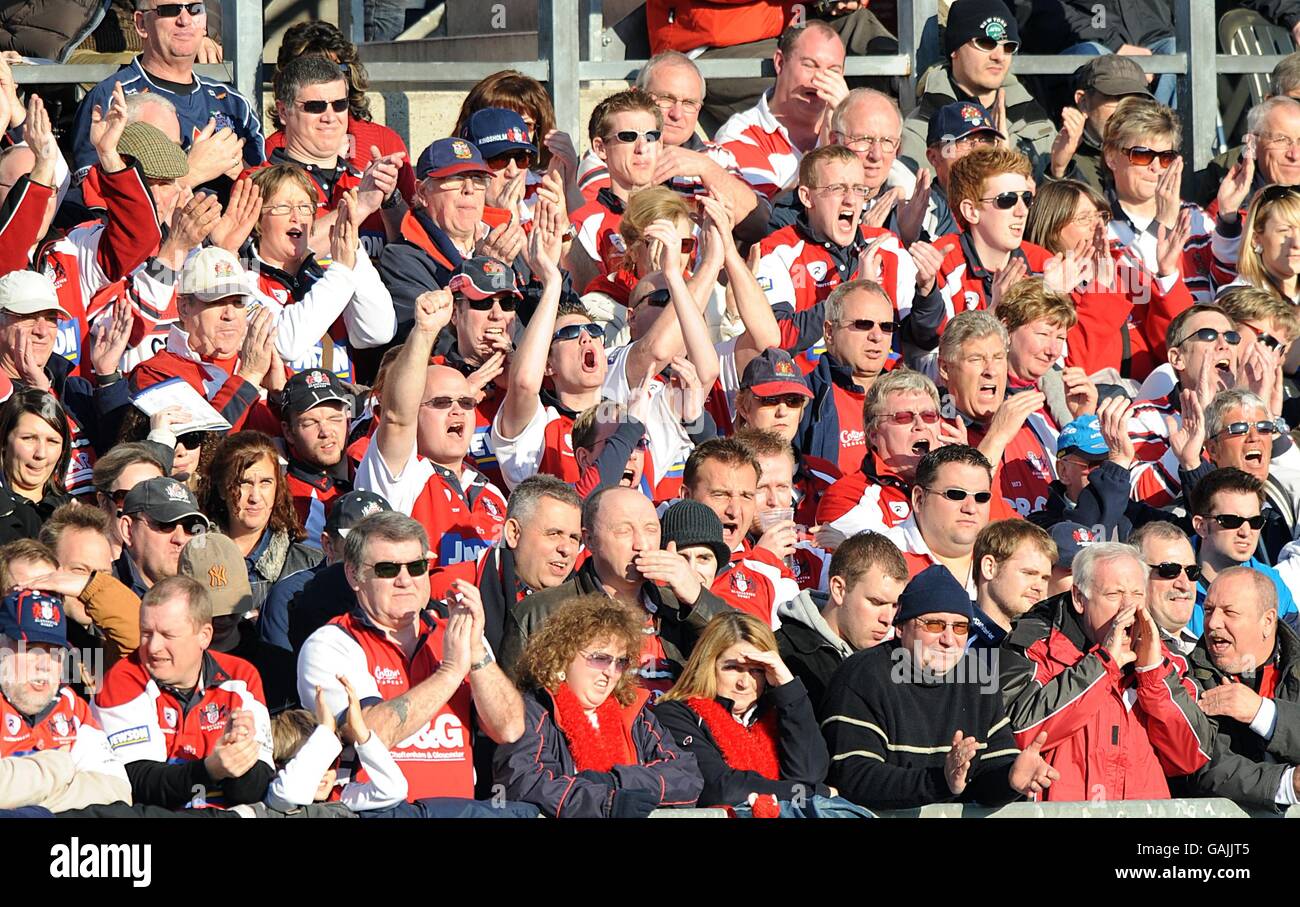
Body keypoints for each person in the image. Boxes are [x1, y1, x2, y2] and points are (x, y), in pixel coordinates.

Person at [296, 511, 525, 809]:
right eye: (388, 569)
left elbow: (509, 728)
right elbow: (370, 735)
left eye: (417, 566)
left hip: (454, 812)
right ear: (354, 575)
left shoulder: (454, 632)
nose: (406, 580)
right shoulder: (331, 643)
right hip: (371, 813)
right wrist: (451, 672)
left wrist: (476, 651)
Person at [822, 564, 1058, 809]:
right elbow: (853, 776)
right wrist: (941, 781)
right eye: (934, 625)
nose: (948, 639)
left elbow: (988, 775)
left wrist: (1010, 778)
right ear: (901, 627)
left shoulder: (976, 678)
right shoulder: (862, 674)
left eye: (960, 628)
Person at [999, 542, 1211, 801]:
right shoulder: (1035, 645)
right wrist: (1103, 663)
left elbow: (1194, 754)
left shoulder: (1164, 658)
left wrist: (1153, 674)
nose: (1128, 608)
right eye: (1114, 595)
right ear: (1079, 598)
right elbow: (1020, 732)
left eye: (1136, 594)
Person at [499, 486, 735, 692]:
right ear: (589, 540)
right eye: (624, 531)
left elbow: (743, 651)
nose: (641, 544)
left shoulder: (679, 607)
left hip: (676, 739)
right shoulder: (541, 613)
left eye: (651, 530)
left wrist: (697, 598)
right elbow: (515, 715)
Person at [492, 593, 703, 818]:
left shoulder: (633, 712)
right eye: (600, 658)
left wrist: (617, 780)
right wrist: (606, 804)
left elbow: (687, 775)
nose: (611, 673)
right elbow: (523, 783)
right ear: (563, 656)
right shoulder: (533, 710)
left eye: (620, 662)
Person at [353, 289, 506, 569]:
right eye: (441, 402)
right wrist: (424, 331)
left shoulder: (491, 493)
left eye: (466, 402)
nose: (457, 410)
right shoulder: (400, 476)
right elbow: (397, 416)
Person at [93, 575, 275, 809]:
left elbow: (253, 791)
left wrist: (239, 762)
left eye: (168, 635)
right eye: (146, 633)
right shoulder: (123, 679)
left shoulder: (241, 677)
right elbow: (138, 784)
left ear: (204, 636)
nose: (153, 647)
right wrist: (211, 770)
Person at [754, 145, 914, 375]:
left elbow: (922, 337)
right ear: (807, 197)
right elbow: (780, 338)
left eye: (859, 189)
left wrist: (929, 292)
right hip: (811, 393)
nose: (850, 200)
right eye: (837, 189)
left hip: (884, 389)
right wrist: (854, 294)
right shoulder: (778, 249)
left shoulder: (887, 245)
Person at [69, 0, 264, 182]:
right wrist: (191, 174)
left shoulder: (233, 102)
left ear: (204, 22)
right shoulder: (111, 97)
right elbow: (95, 197)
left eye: (195, 9)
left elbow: (269, 194)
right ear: (141, 24)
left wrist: (241, 173)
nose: (185, 20)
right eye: (170, 10)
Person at [655, 610, 833, 809]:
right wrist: (815, 794)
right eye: (732, 668)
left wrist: (788, 688)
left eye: (757, 670)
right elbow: (721, 789)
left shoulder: (776, 715)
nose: (744, 683)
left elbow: (809, 773)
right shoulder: (675, 715)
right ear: (708, 666)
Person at [1023, 178, 1193, 381]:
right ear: (1052, 228)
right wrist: (1101, 289)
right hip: (1095, 401)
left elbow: (1181, 345)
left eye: (1101, 216)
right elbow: (1082, 368)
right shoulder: (1040, 284)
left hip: (1151, 400)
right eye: (1084, 218)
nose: (1098, 225)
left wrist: (1166, 274)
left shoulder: (1123, 271)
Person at [576, 52, 762, 235]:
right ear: (637, 96)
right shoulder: (611, 150)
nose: (677, 114)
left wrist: (706, 168)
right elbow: (605, 227)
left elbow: (758, 224)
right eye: (666, 99)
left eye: (689, 103)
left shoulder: (715, 157)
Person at [243, 163, 397, 383]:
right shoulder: (241, 279)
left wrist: (351, 246)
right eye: (283, 207)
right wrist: (342, 270)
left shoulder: (327, 276)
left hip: (339, 411)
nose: (297, 217)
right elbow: (285, 343)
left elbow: (377, 331)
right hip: (278, 413)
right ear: (257, 219)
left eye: (305, 207)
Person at [904, 149, 1053, 353]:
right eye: (1007, 200)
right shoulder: (942, 261)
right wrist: (994, 310)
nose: (1022, 211)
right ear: (971, 211)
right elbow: (931, 354)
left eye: (1026, 199)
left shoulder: (1041, 264)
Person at [128, 245, 282, 435]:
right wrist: (249, 377)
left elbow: (310, 447)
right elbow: (200, 451)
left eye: (238, 302)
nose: (230, 314)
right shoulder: (155, 374)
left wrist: (280, 396)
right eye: (216, 302)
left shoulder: (267, 363)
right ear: (184, 308)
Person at [0, 588, 131, 811]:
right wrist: (59, 765)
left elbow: (117, 790)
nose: (44, 665)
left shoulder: (70, 704)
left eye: (54, 653)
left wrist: (28, 801)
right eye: (31, 649)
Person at [1183, 566, 1300, 809]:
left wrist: (1264, 714)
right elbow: (1203, 765)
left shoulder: (1294, 667)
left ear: (1267, 621)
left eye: (1230, 612)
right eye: (1208, 610)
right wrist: (1287, 784)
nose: (1213, 623)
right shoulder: (1188, 676)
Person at [899, 0, 1057, 179]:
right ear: (954, 50)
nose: (999, 56)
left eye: (1009, 46)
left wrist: (1059, 173)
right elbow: (920, 203)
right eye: (986, 42)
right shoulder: (921, 128)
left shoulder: (1037, 122)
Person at [377, 137, 521, 326]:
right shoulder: (400, 258)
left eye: (478, 179)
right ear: (422, 192)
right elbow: (437, 340)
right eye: (455, 178)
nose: (469, 189)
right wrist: (483, 271)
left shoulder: (503, 240)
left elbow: (533, 320)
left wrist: (545, 272)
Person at [935, 311, 1054, 519]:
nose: (990, 370)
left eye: (998, 358)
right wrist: (996, 438)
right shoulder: (933, 431)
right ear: (945, 368)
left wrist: (1083, 418)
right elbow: (961, 515)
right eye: (976, 359)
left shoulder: (1034, 421)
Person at [714, 23, 850, 201]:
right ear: (780, 63)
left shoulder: (853, 132)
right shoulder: (740, 134)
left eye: (833, 71)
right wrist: (827, 149)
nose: (820, 80)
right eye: (809, 65)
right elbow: (765, 219)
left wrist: (848, 126)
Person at [775, 530, 908, 711]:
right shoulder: (781, 654)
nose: (888, 619)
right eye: (876, 602)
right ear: (839, 589)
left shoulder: (897, 661)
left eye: (894, 606)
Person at [1101, 97, 1216, 303]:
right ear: (1111, 157)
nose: (1155, 167)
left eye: (1165, 157)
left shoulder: (1198, 218)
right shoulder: (1096, 224)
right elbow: (1133, 297)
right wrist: (1160, 224)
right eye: (1142, 155)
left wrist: (1229, 218)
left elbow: (1226, 281)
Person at [679, 438, 800, 625]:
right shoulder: (651, 559)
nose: (734, 510)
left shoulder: (771, 573)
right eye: (720, 494)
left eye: (746, 496)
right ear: (687, 496)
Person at [198, 431, 322, 614]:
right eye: (244, 483)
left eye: (265, 482)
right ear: (222, 488)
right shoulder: (194, 554)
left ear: (277, 487)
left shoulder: (309, 564)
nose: (255, 497)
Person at [816, 367, 944, 540]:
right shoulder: (846, 495)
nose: (920, 424)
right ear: (873, 434)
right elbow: (880, 563)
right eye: (903, 417)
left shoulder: (958, 488)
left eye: (929, 416)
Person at [261, 489, 390, 656]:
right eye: (359, 542)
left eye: (386, 541)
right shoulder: (290, 594)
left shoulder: (401, 587)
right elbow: (283, 669)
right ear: (328, 544)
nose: (373, 552)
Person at [793, 279, 901, 475]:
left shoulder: (911, 398)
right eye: (863, 324)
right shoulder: (802, 399)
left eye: (886, 327)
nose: (877, 336)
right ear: (829, 332)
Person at [263, 672, 407, 813]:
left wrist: (360, 731)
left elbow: (394, 790)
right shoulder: (274, 795)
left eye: (330, 762)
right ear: (278, 766)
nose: (324, 772)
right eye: (313, 762)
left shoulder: (338, 797)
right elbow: (290, 793)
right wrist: (326, 730)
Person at [565, 89, 664, 291]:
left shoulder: (682, 214)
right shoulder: (584, 223)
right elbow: (589, 300)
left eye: (651, 136)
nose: (642, 147)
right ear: (601, 148)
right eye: (628, 137)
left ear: (660, 144)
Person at [731, 350, 839, 526]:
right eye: (769, 400)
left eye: (793, 400)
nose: (782, 411)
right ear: (743, 408)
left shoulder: (825, 475)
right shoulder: (723, 472)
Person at [1189, 467, 1298, 636]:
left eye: (1255, 521)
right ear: (1201, 526)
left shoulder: (1272, 583)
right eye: (1231, 521)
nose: (1246, 532)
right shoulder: (1168, 577)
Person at [885, 444, 995, 591]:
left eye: (982, 497)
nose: (970, 508)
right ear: (919, 499)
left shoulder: (1009, 562)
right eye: (955, 494)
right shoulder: (875, 560)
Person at [1046, 55, 1156, 194]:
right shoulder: (1065, 156)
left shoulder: (1159, 156)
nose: (1125, 110)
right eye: (1116, 98)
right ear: (1083, 101)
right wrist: (1059, 171)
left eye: (1135, 101)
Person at [280, 368, 353, 542]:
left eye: (335, 419)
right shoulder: (288, 500)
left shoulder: (365, 467)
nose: (326, 431)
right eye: (310, 422)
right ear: (289, 432)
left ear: (348, 422)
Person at [113, 475, 209, 597]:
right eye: (165, 524)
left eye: (190, 526)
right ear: (128, 530)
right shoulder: (99, 598)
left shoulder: (211, 596)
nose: (180, 539)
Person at [971, 519, 1056, 648]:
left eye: (1045, 578)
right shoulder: (950, 638)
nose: (1039, 587)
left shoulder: (1045, 644)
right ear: (989, 568)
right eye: (1029, 573)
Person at [0, 388, 72, 521]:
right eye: (29, 438)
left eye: (52, 441)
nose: (41, 454)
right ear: (4, 441)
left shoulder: (75, 514)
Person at [1129, 520, 1199, 656]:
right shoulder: (1127, 652)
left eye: (1192, 571)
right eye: (1169, 570)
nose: (1184, 584)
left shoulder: (1209, 648)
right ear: (1136, 576)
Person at [90, 442, 166, 558]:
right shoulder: (87, 565)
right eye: (128, 497)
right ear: (103, 502)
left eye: (155, 498)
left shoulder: (177, 562)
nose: (144, 510)